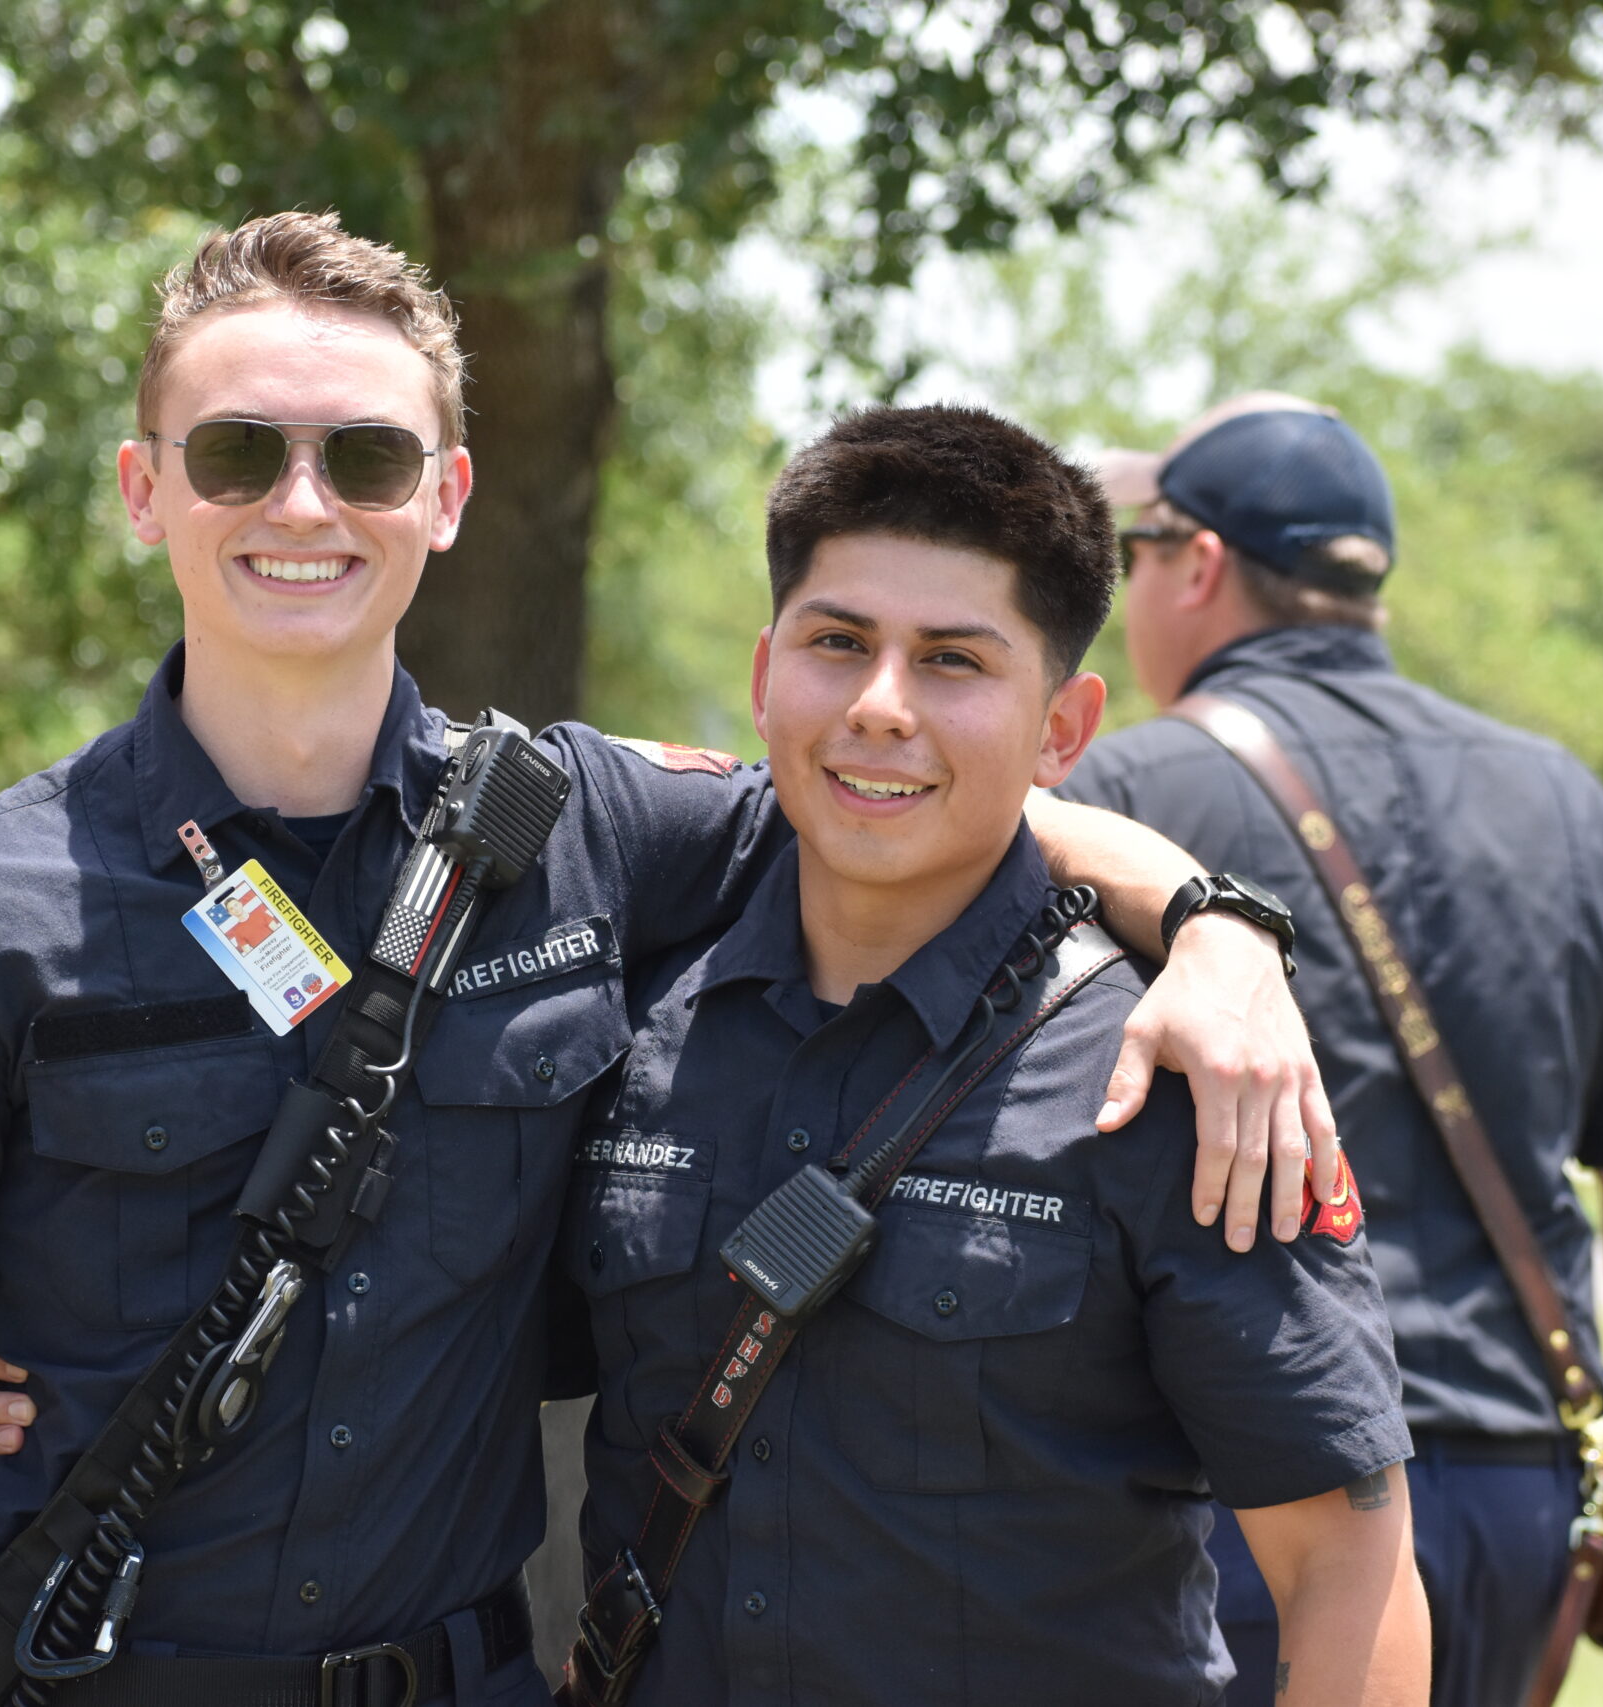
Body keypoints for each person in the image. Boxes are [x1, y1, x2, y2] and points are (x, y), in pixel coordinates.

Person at [0, 210, 1334, 1707]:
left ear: (445, 493)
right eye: (238, 454)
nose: (304, 505)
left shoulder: (587, 828)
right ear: (146, 488)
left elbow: (909, 791)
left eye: (366, 457)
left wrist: (1216, 925)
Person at [545, 404, 1426, 1706]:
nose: (881, 706)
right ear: (764, 673)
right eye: (838, 642)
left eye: (953, 660)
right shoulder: (627, 1025)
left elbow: (1346, 1564)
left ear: (1064, 730)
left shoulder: (1179, 1077)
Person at [1054, 394, 1603, 1707]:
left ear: (1194, 562)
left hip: (1255, 1486)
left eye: (1136, 551)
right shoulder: (1564, 797)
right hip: (1522, 1494)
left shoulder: (1120, 802)